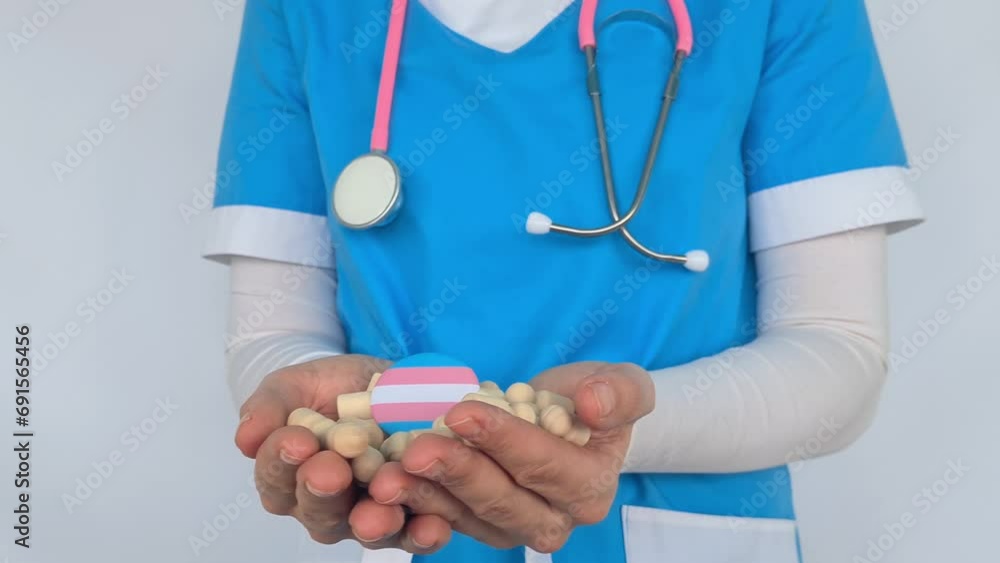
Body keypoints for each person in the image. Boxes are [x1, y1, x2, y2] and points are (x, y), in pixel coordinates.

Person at [203, 0, 924, 562]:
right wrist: (340, 425)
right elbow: (275, 336)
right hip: (407, 515)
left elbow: (839, 350)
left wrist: (619, 427)